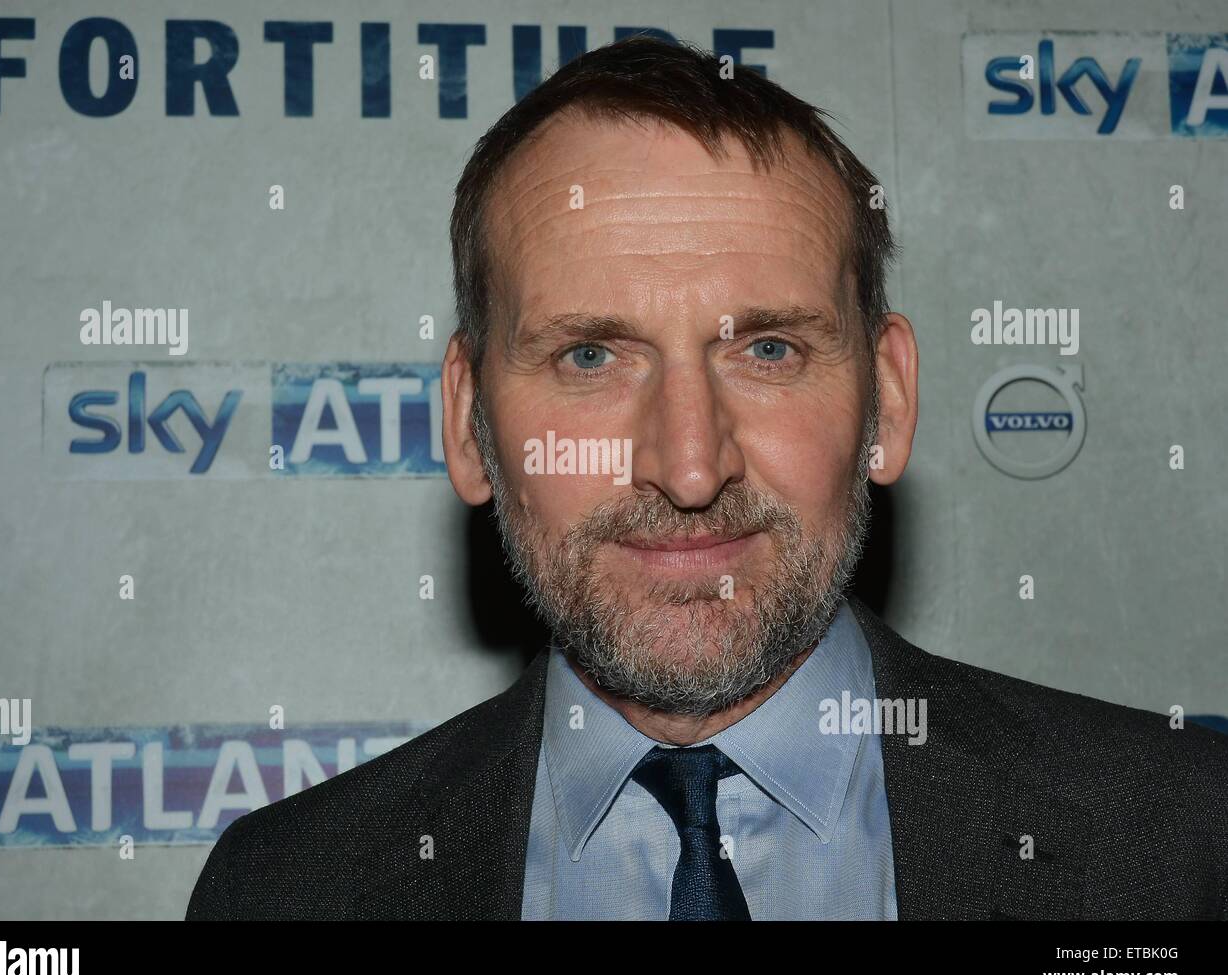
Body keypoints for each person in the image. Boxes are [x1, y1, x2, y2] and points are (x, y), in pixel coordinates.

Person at [187, 36, 1227, 921]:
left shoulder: (1180, 850)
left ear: (889, 403)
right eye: (590, 357)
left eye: (766, 350)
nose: (688, 466)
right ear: (467, 422)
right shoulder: (288, 893)